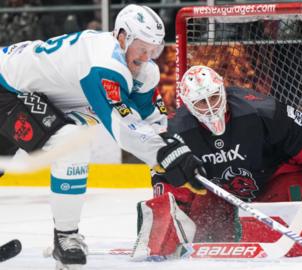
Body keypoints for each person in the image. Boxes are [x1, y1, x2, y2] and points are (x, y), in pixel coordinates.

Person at [0, 4, 203, 269]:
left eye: (155, 50)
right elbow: (123, 127)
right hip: (7, 88)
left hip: (31, 93)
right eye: (142, 47)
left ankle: (65, 237)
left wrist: (177, 152)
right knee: (70, 142)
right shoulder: (102, 62)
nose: (147, 57)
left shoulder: (144, 72)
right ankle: (66, 238)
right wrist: (164, 155)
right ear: (122, 37)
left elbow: (152, 122)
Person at [133, 65, 302, 258]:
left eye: (214, 97)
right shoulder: (179, 132)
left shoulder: (261, 110)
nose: (211, 106)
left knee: (283, 218)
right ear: (189, 106)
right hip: (224, 194)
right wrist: (164, 216)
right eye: (201, 103)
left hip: (278, 179)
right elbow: (168, 178)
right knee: (207, 234)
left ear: (223, 92)